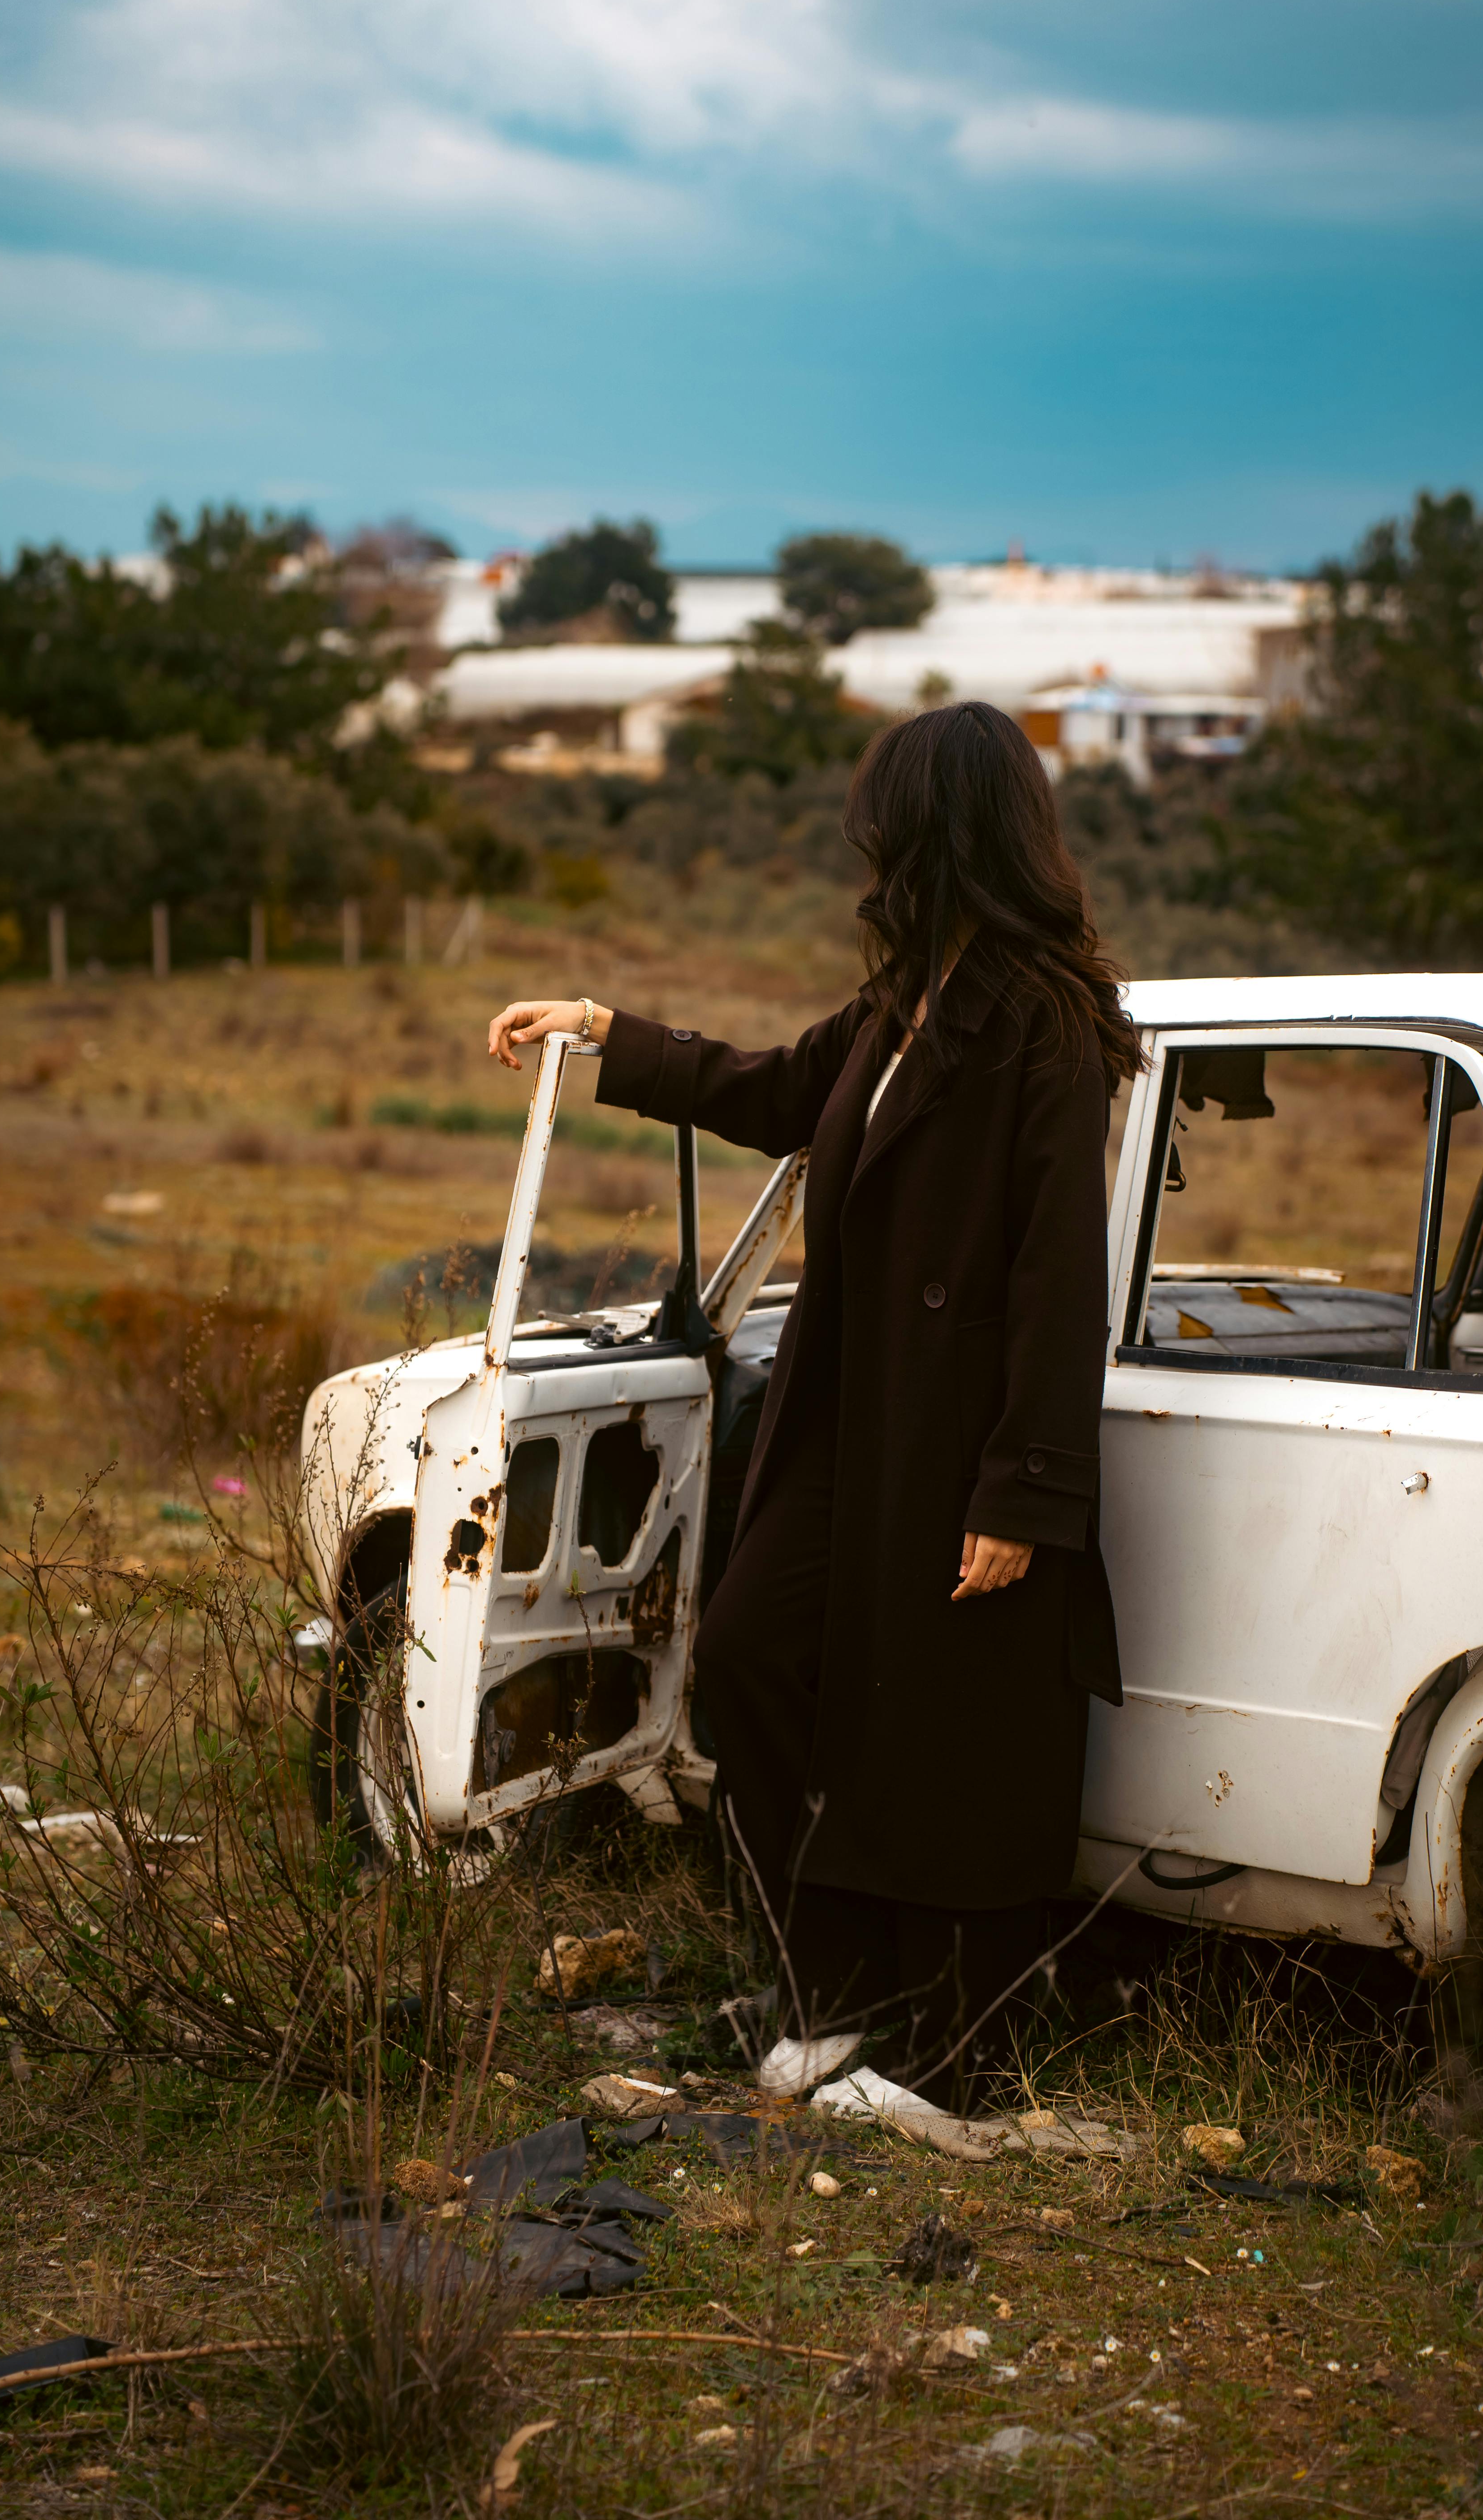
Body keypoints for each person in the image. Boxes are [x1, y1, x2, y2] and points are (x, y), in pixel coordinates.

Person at [487, 701, 1141, 2110]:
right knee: (746, 1656)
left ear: (944, 833)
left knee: (932, 1745)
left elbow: (1055, 1275)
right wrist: (605, 1032)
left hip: (955, 1446)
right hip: (853, 1426)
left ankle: (920, 2035)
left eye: (891, 823)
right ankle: (826, 1981)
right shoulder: (901, 1001)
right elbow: (776, 1089)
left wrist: (1025, 1490)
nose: (873, 849)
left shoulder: (1046, 1022)